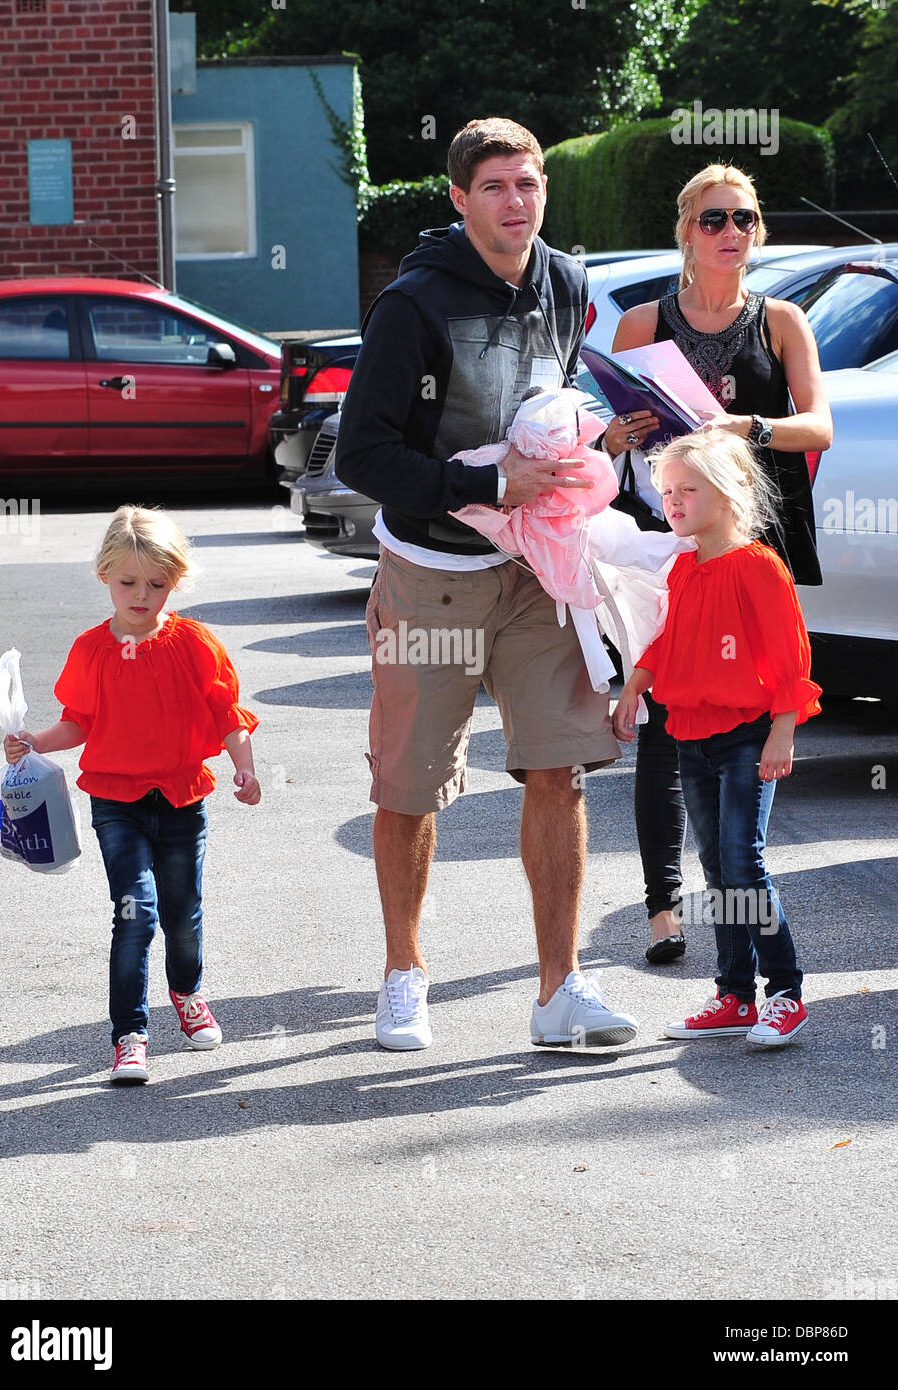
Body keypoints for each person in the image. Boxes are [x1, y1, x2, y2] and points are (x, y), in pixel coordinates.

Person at [335, 117, 637, 1052]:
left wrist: (598, 438)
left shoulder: (566, 283)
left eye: (530, 183)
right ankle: (403, 975)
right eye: (497, 186)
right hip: (433, 576)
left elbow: (551, 402)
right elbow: (361, 454)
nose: (517, 202)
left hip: (539, 570)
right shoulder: (412, 305)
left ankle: (560, 991)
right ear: (459, 198)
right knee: (412, 785)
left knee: (558, 772)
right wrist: (480, 484)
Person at [598, 163, 831, 964]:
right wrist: (617, 435)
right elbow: (606, 435)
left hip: (751, 541)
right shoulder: (641, 322)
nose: (731, 232)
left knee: (744, 703)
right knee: (667, 714)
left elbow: (820, 427)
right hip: (665, 540)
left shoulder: (781, 320)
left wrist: (746, 427)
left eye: (745, 219)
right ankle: (665, 908)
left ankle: (738, 884)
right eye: (713, 220)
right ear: (685, 229)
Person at [3, 506, 261, 1084]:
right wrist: (33, 741)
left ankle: (188, 994)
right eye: (128, 582)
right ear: (105, 576)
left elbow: (227, 712)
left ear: (176, 581)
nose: (142, 595)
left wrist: (245, 768)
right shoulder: (91, 649)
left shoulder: (193, 642)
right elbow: (78, 723)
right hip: (115, 802)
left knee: (183, 915)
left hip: (181, 798)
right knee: (134, 914)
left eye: (157, 584)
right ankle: (130, 1036)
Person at [614, 429, 820, 1045]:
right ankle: (734, 996)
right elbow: (670, 638)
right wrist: (636, 682)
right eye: (666, 491)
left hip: (748, 738)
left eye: (686, 490)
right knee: (717, 870)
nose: (672, 502)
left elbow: (791, 656)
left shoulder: (759, 566)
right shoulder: (682, 568)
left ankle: (785, 992)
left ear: (729, 492)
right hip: (690, 737)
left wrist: (783, 731)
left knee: (743, 865)